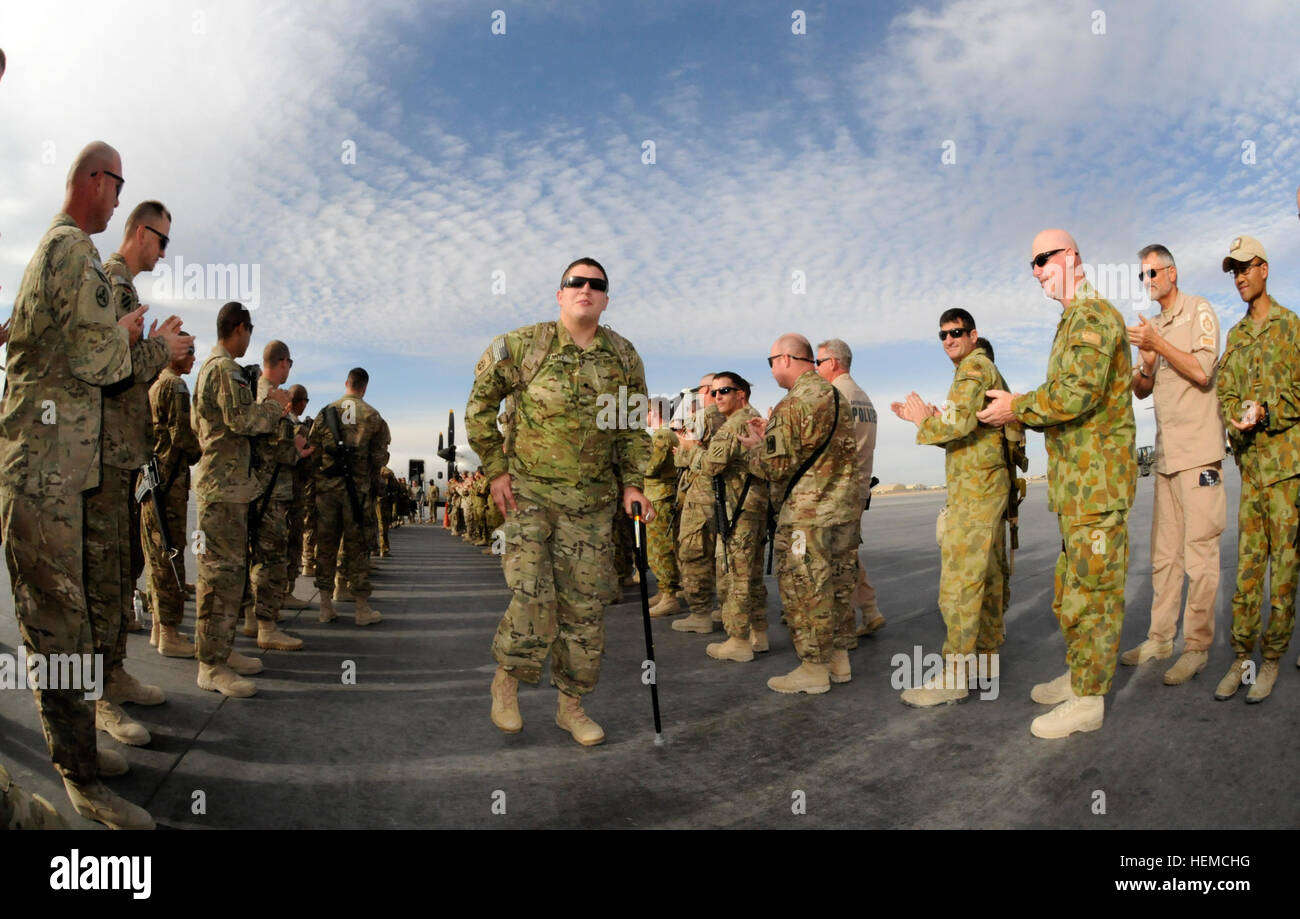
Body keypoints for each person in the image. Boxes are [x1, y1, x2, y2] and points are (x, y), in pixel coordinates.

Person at [0, 141, 154, 828]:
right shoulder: (73, 251)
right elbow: (96, 358)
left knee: (68, 622)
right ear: (95, 180)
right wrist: (126, 333)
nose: (118, 200)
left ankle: (79, 750)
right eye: (117, 187)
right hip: (44, 474)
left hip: (48, 471)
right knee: (59, 630)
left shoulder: (49, 251)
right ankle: (80, 777)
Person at [468, 257, 652, 746]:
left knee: (585, 611)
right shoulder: (523, 346)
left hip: (592, 506)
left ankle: (571, 706)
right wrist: (496, 468)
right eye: (576, 283)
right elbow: (480, 404)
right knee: (533, 594)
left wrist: (634, 483)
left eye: (596, 284)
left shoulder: (623, 357)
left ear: (606, 297)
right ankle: (507, 680)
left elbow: (631, 428)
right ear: (560, 293)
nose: (585, 290)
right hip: (528, 495)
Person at [979, 229, 1136, 739]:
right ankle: (1080, 675)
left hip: (1098, 486)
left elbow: (1076, 395)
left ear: (1072, 258)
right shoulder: (1071, 319)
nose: (1037, 270)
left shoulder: (1091, 315)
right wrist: (1019, 405)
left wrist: (1016, 405)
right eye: (1032, 263)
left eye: (1044, 258)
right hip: (1079, 487)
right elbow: (1066, 397)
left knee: (1093, 592)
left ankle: (1089, 699)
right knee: (1072, 588)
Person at [89, 200, 191, 748]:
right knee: (101, 582)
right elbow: (109, 369)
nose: (164, 251)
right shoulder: (110, 281)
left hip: (123, 459)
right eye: (162, 240)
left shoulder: (124, 289)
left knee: (122, 571)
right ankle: (97, 697)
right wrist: (162, 350)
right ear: (138, 231)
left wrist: (158, 347)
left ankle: (114, 673)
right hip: (102, 459)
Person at [892, 310, 1016, 706]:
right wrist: (931, 416)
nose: (948, 339)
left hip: (975, 491)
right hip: (988, 485)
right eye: (943, 334)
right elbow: (969, 427)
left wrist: (920, 422)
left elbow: (958, 426)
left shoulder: (972, 369)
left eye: (956, 332)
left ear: (973, 334)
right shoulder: (983, 370)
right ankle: (984, 659)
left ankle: (956, 673)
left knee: (959, 582)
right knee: (990, 574)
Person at [1122, 244, 1226, 685]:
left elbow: (1203, 372)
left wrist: (1158, 343)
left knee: (1199, 554)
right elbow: (1141, 390)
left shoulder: (1197, 310)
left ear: (1172, 272)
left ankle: (1196, 647)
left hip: (1199, 453)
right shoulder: (1155, 326)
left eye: (1152, 273)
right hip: (1166, 457)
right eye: (1141, 276)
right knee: (1165, 556)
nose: (1147, 282)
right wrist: (1146, 363)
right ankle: (1160, 638)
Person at [737, 334, 860, 693]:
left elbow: (775, 468)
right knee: (837, 585)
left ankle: (812, 668)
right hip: (842, 511)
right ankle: (838, 660)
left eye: (772, 360)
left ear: (787, 359)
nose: (773, 368)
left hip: (807, 516)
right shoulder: (834, 396)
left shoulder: (793, 404)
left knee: (806, 589)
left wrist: (753, 450)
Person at [1214, 236, 1300, 703]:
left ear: (1265, 269)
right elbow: (1226, 390)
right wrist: (1234, 414)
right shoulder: (1236, 336)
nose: (1239, 277)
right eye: (1233, 270)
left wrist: (1267, 411)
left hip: (1287, 473)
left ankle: (1271, 660)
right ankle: (1242, 659)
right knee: (1248, 571)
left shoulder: (1292, 327)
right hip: (1252, 473)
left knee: (1283, 575)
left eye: (1246, 267)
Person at [192, 302, 292, 698]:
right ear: (238, 328)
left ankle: (222, 651)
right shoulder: (225, 370)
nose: (250, 337)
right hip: (223, 488)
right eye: (249, 329)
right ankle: (210, 666)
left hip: (227, 486)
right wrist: (274, 405)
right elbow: (243, 421)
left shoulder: (212, 369)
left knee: (231, 577)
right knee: (218, 579)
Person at [309, 368, 390, 625]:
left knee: (326, 546)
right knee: (357, 548)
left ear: (346, 383)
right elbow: (379, 459)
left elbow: (312, 451)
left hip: (327, 492)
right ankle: (361, 609)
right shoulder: (373, 416)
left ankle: (325, 605)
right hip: (358, 494)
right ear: (364, 387)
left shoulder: (325, 413)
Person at [815, 339, 885, 639]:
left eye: (819, 363)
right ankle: (870, 610)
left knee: (834, 558)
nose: (816, 369)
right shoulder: (863, 397)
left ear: (833, 363)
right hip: (858, 487)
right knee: (847, 552)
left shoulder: (835, 396)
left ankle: (840, 629)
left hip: (837, 489)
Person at [698, 372, 770, 661]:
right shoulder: (749, 418)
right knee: (751, 575)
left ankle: (738, 640)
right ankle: (759, 632)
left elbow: (711, 465)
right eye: (714, 392)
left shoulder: (735, 424)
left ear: (741, 393)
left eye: (724, 391)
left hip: (738, 510)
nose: (717, 397)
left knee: (734, 575)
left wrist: (692, 453)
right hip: (752, 508)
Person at [244, 341, 310, 651]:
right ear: (283, 363)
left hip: (255, 488)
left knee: (252, 556)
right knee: (270, 560)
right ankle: (267, 626)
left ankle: (249, 617)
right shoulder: (273, 397)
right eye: (289, 363)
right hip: (271, 492)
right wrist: (296, 450)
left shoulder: (251, 390)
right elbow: (278, 449)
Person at [144, 341, 201, 658]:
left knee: (156, 555)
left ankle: (157, 627)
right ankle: (169, 633)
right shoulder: (176, 386)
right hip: (170, 482)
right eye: (189, 351)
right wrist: (204, 447)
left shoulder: (154, 385)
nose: (193, 357)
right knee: (171, 553)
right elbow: (182, 437)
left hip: (154, 482)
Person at [671, 374, 729, 633]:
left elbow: (683, 456)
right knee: (723, 556)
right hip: (729, 497)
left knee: (694, 553)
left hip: (702, 495)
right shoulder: (735, 416)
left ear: (707, 390)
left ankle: (700, 613)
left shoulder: (702, 418)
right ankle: (725, 609)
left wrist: (683, 447)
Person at [643, 402, 683, 615]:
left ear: (654, 413)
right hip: (657, 495)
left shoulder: (662, 436)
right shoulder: (664, 434)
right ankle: (664, 590)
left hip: (659, 497)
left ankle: (669, 596)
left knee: (660, 548)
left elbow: (650, 468)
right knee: (657, 548)